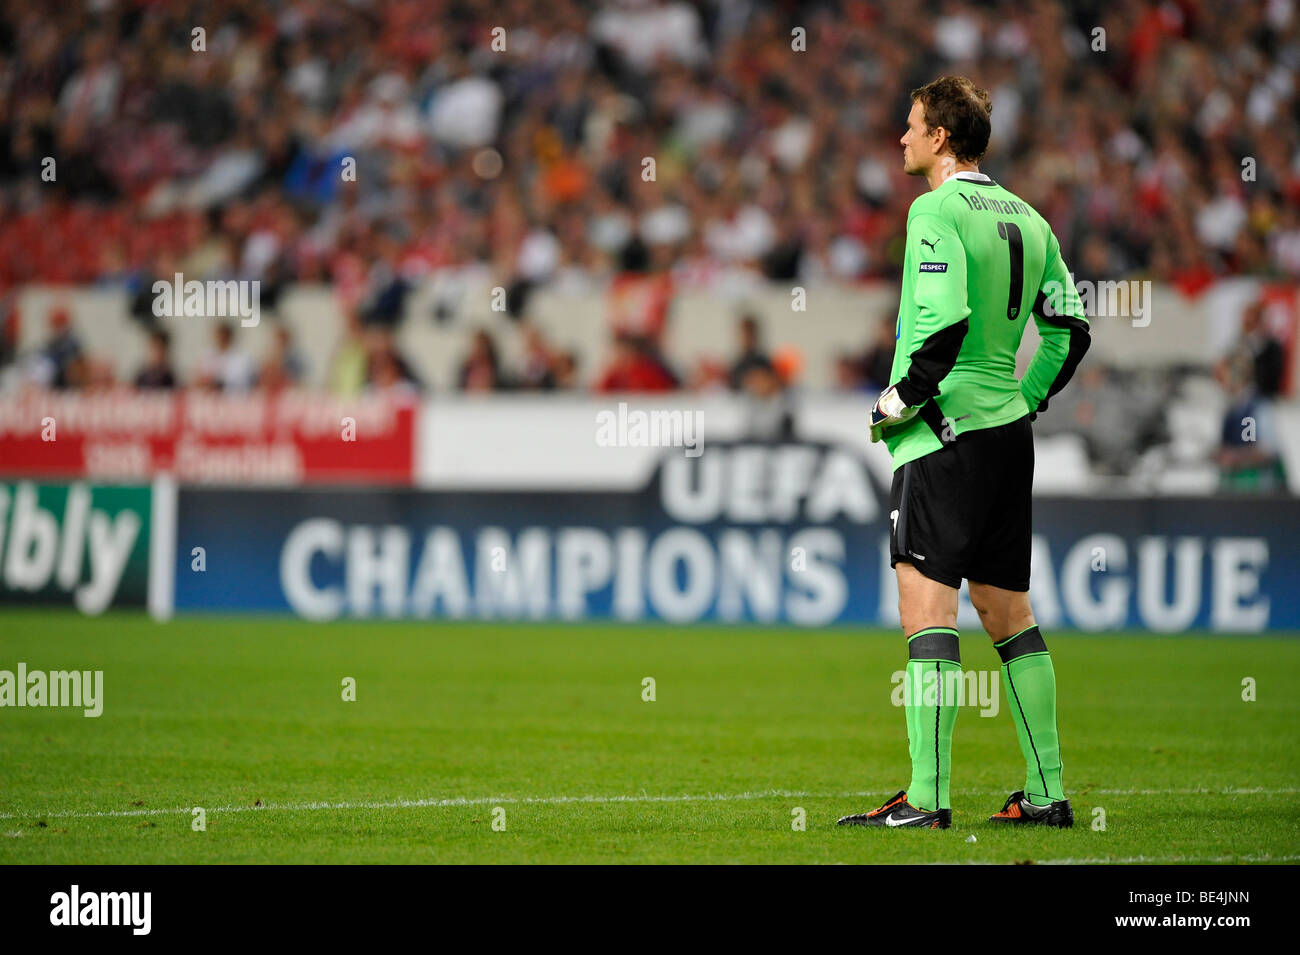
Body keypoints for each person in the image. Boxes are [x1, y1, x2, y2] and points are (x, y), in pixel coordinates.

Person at [837, 77, 1090, 831]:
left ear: (941, 138)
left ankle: (927, 795)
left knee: (926, 607)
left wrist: (898, 401)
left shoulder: (934, 210)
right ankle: (1047, 791)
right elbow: (1070, 328)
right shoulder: (1028, 216)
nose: (902, 138)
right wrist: (1026, 398)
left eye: (911, 125)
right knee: (1009, 612)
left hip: (943, 433)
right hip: (1008, 434)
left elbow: (943, 322)